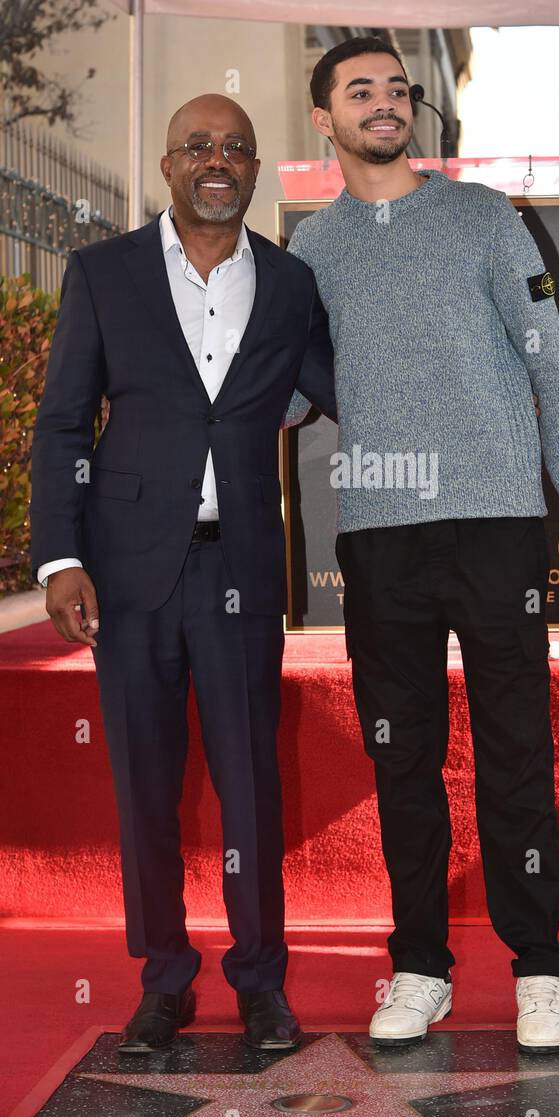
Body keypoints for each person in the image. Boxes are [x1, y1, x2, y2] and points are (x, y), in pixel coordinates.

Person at [287, 35, 559, 1054]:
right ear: (324, 120)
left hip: (498, 523)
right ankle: (418, 963)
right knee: (401, 758)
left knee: (514, 748)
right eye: (358, 91)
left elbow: (553, 367)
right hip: (379, 536)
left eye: (395, 89)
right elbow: (290, 388)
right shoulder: (310, 251)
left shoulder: (481, 219)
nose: (383, 104)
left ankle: (538, 969)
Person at [29, 94, 337, 1055]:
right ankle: (163, 979)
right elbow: (64, 424)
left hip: (241, 569)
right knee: (144, 788)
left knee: (251, 787)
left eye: (236, 149)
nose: (218, 161)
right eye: (199, 147)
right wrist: (60, 556)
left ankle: (260, 986)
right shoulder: (103, 273)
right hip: (127, 577)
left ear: (255, 172)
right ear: (167, 165)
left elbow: (340, 391)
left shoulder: (290, 283)